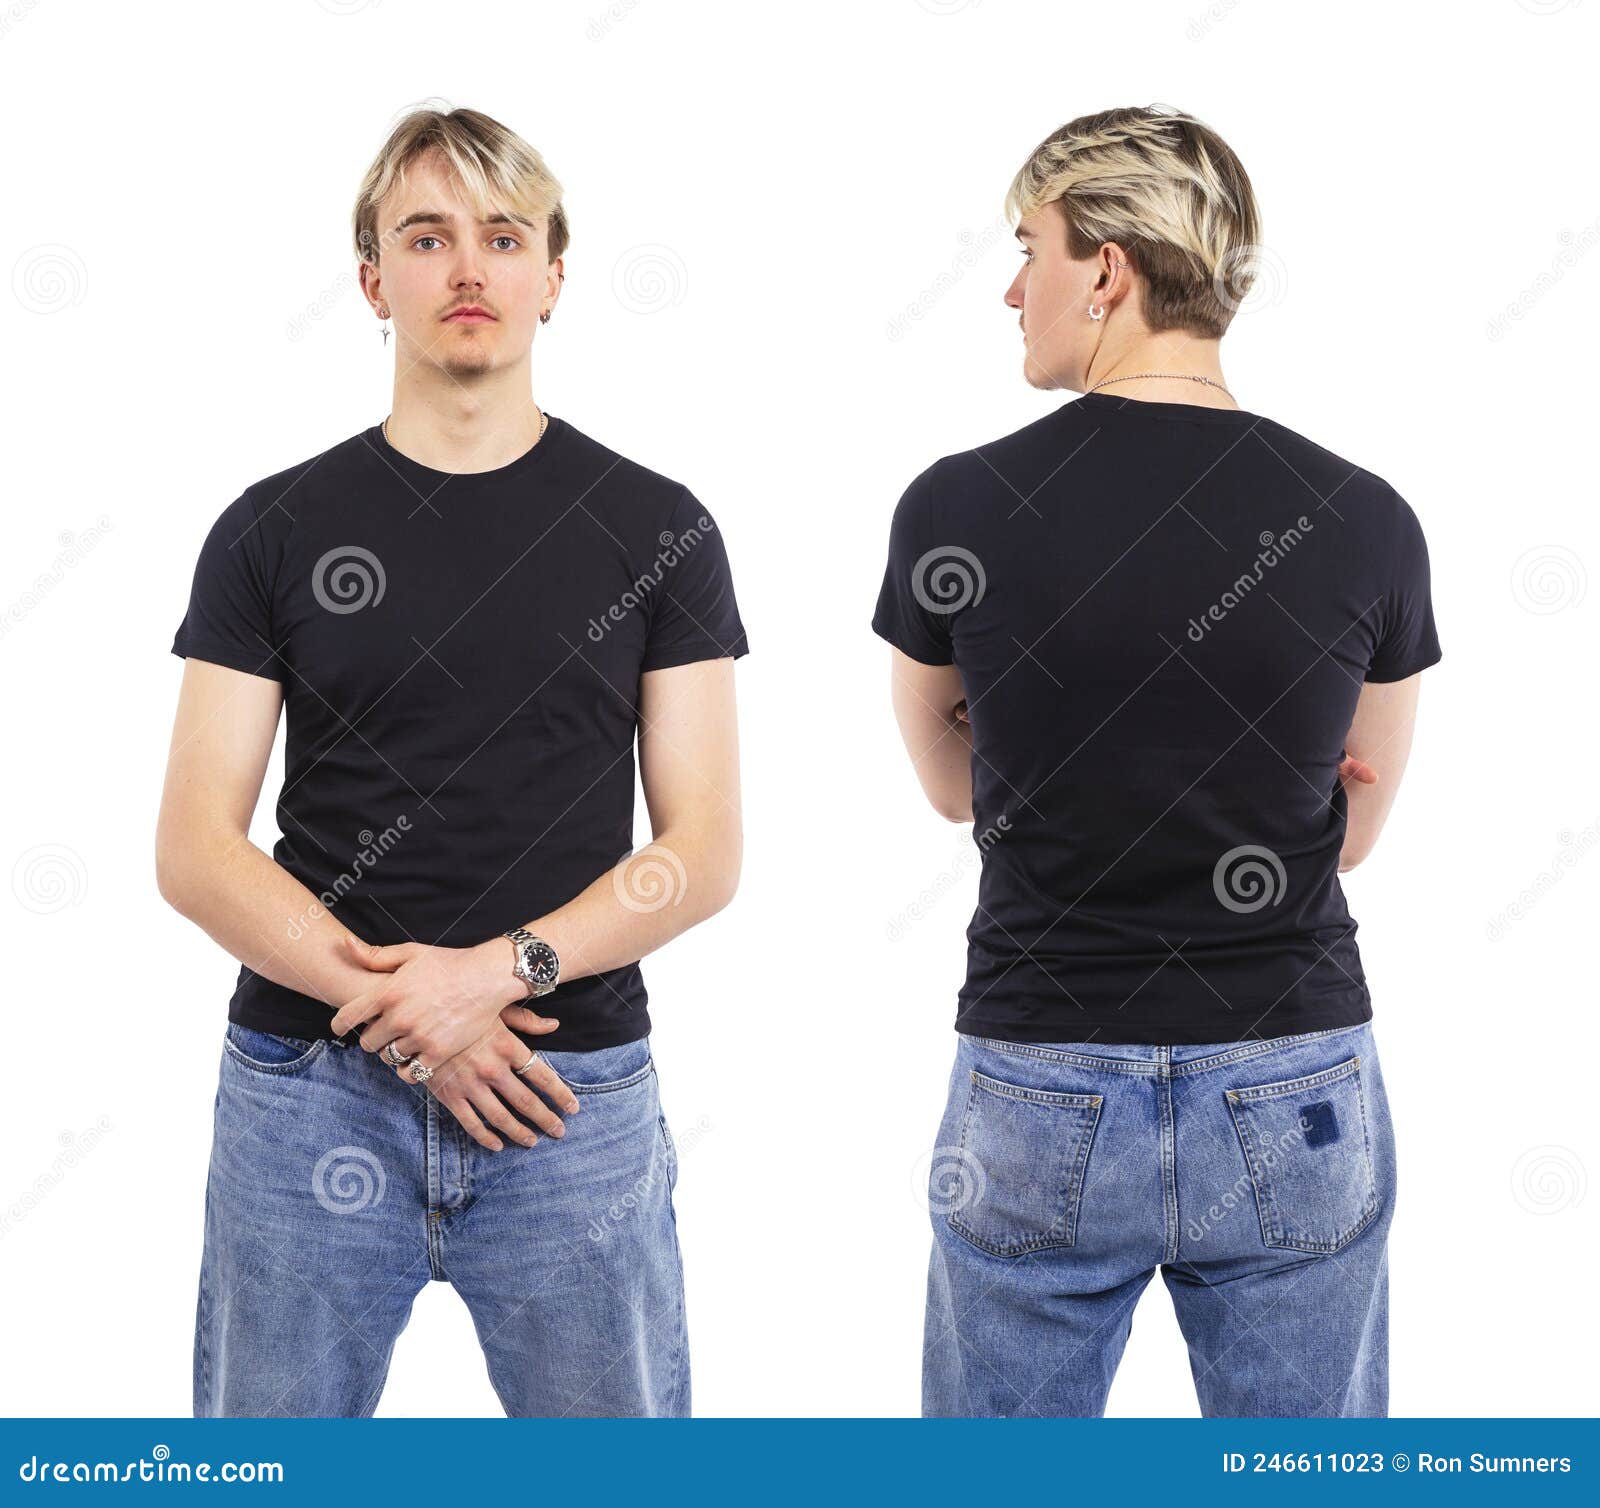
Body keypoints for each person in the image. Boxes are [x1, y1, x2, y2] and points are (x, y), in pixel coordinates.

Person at [158, 106, 748, 1418]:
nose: (468, 269)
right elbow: (197, 848)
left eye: (502, 236)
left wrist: (499, 975)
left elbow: (700, 852)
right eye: (427, 238)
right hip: (309, 1098)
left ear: (553, 274)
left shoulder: (658, 529)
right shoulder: (271, 529)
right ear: (373, 278)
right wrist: (411, 1020)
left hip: (567, 1090)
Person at [872, 104, 1440, 1418]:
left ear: (1110, 269)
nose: (1016, 290)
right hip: (1291, 1077)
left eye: (1032, 251)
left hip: (1039, 1077)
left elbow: (955, 784)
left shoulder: (955, 506)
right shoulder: (1366, 519)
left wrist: (1055, 751)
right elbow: (1349, 826)